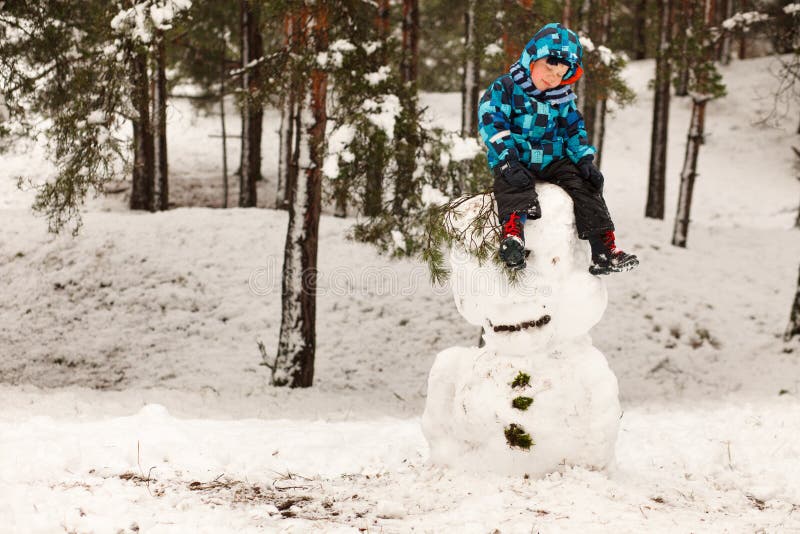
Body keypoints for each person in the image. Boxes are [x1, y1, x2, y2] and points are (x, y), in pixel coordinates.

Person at [478, 22, 638, 275]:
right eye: (549, 69)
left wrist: (584, 160)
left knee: (585, 186)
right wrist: (507, 158)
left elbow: (573, 129)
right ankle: (513, 238)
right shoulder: (506, 88)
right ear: (532, 59)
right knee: (512, 186)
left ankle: (605, 251)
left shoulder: (562, 97)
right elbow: (492, 122)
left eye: (560, 74)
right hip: (516, 157)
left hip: (552, 158)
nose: (553, 78)